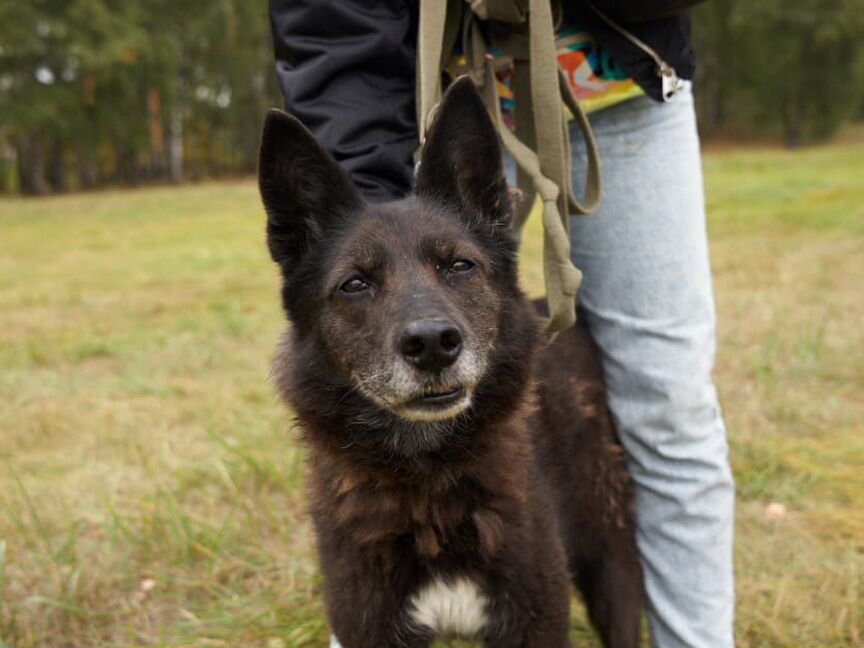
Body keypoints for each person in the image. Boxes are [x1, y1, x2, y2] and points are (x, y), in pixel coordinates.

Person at [267, 2, 735, 647]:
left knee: (670, 407)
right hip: (419, 99)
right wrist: (357, 189)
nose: (427, 332)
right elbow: (330, 16)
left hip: (623, 82)